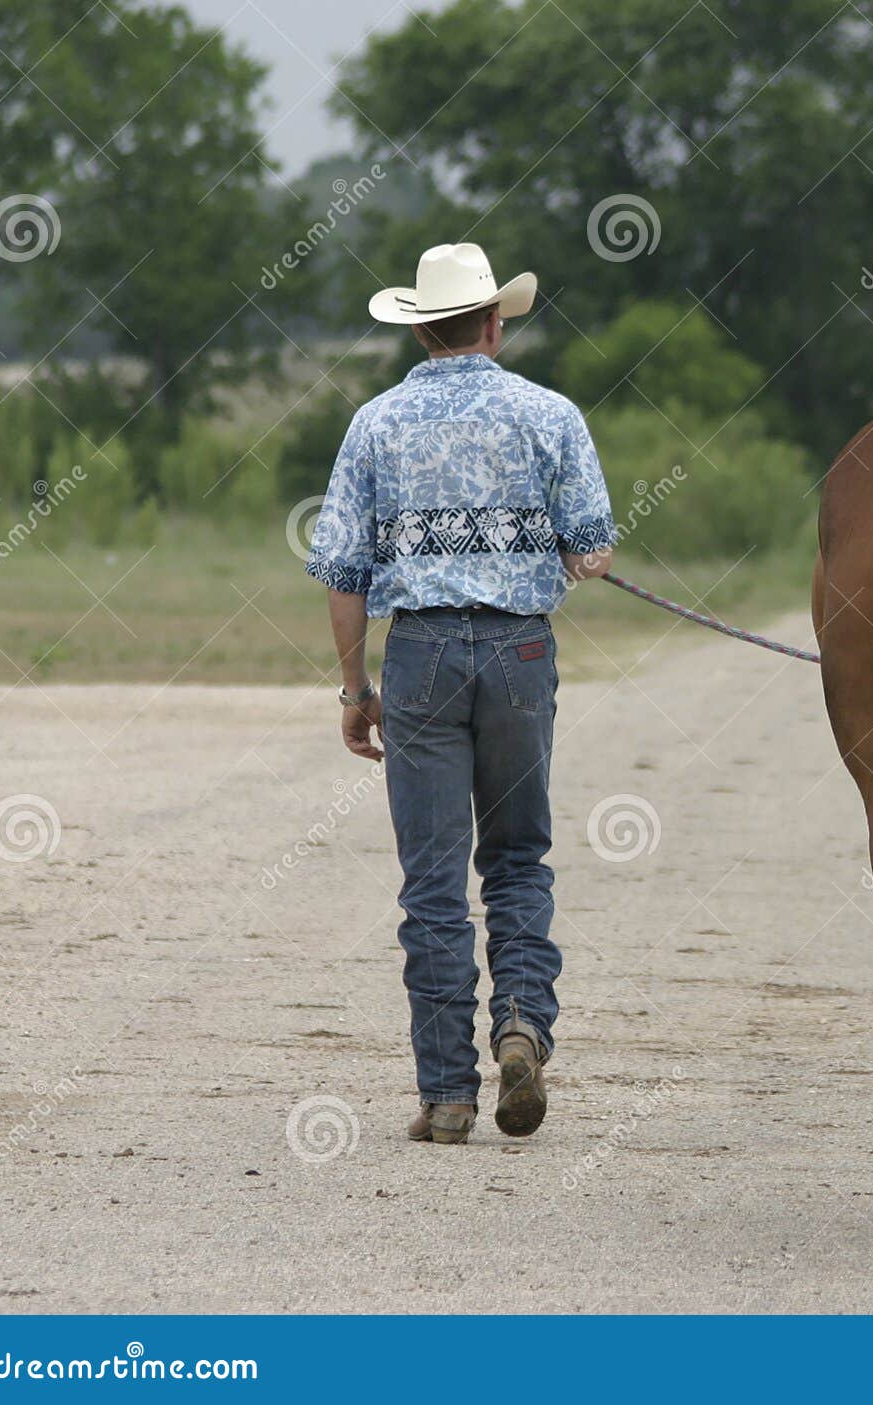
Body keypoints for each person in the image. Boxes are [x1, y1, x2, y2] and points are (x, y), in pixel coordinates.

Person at [305, 241, 616, 1145]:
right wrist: (557, 555)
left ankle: (446, 1095)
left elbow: (342, 572)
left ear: (421, 327)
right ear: (492, 323)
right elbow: (592, 549)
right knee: (517, 856)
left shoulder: (375, 423)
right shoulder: (550, 413)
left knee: (432, 882)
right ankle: (520, 1023)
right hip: (519, 651)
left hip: (422, 656)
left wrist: (356, 688)